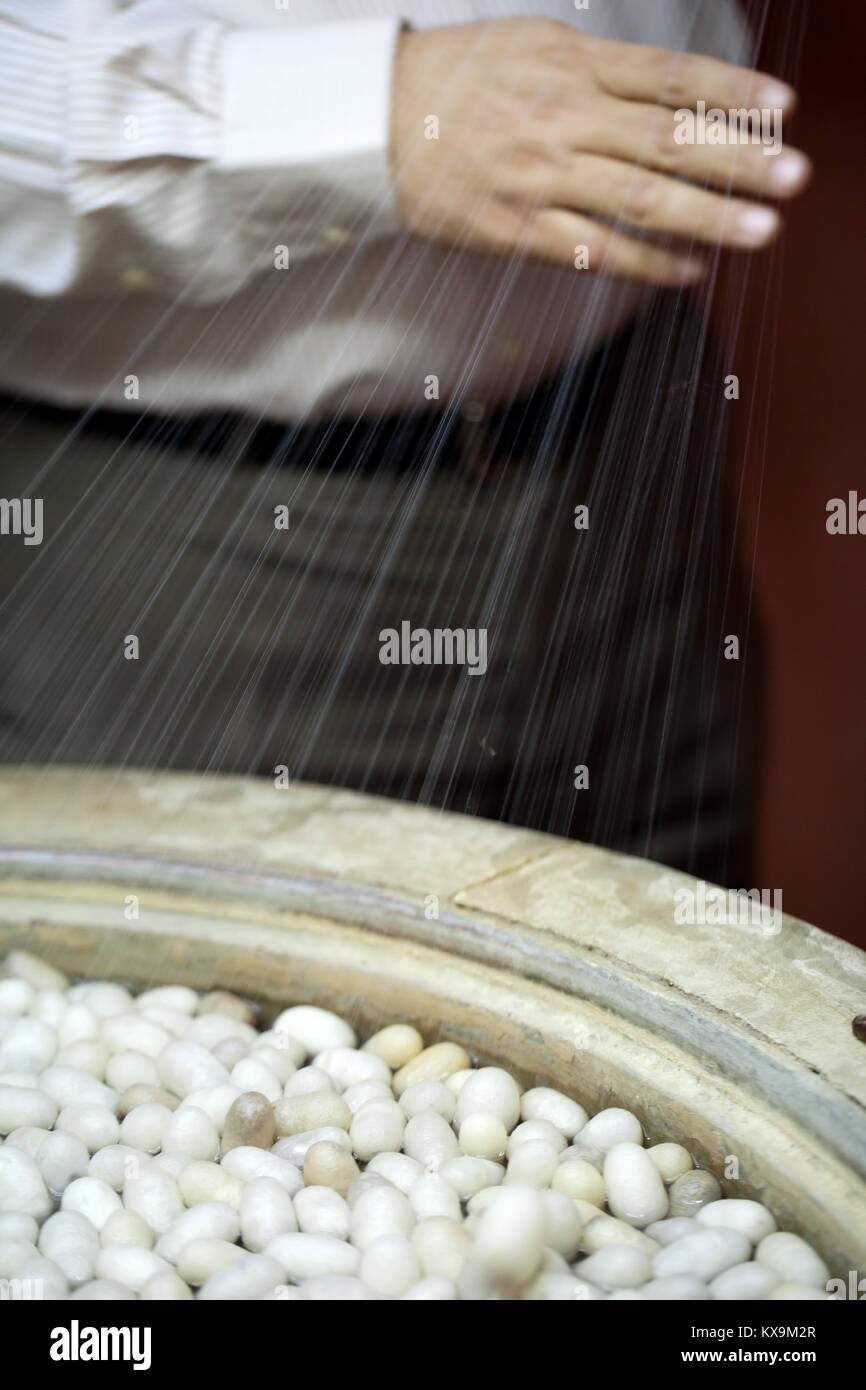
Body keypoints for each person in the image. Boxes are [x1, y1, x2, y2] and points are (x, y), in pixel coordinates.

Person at [0, 2, 811, 887]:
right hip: (201, 547)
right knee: (240, 1001)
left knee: (691, 974)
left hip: (641, 454)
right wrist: (365, 112)